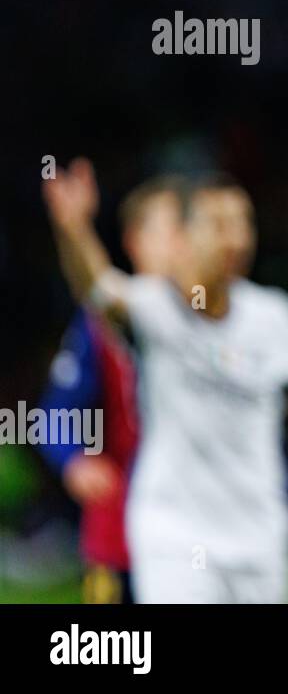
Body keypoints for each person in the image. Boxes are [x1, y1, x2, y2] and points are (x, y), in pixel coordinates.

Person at [43, 160, 288, 603]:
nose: (236, 238)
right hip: (174, 540)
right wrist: (73, 230)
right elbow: (97, 290)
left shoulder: (270, 316)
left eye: (244, 223)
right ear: (184, 237)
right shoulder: (153, 310)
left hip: (260, 538)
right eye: (219, 224)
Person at [36, 176, 182, 603]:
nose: (182, 242)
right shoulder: (102, 328)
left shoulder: (230, 320)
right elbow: (56, 411)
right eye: (170, 228)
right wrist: (74, 460)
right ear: (135, 241)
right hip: (121, 535)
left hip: (199, 532)